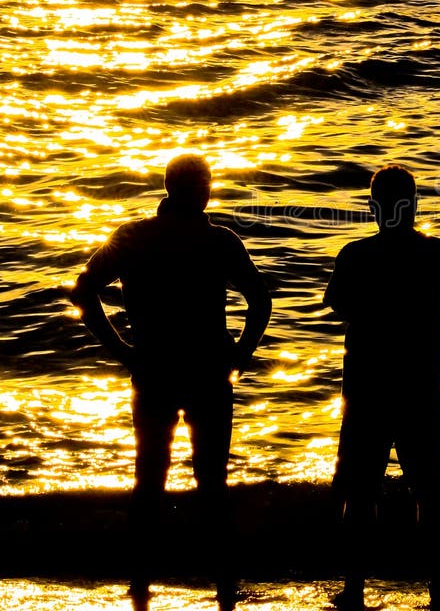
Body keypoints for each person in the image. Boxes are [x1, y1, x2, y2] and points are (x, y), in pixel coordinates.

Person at [70, 153, 272, 611]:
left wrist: (120, 349)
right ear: (198, 190)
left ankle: (141, 585)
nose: (208, 190)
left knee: (149, 479)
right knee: (212, 481)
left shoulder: (135, 237)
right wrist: (242, 351)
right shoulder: (218, 240)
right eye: (205, 183)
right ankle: (223, 586)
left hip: (155, 368)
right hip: (207, 370)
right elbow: (259, 298)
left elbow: (84, 289)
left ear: (167, 188)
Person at [323, 165, 440, 611]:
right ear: (414, 204)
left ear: (373, 206)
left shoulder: (355, 255)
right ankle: (438, 592)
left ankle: (355, 589)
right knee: (431, 494)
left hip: (367, 388)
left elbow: (338, 305)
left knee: (360, 493)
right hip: (419, 386)